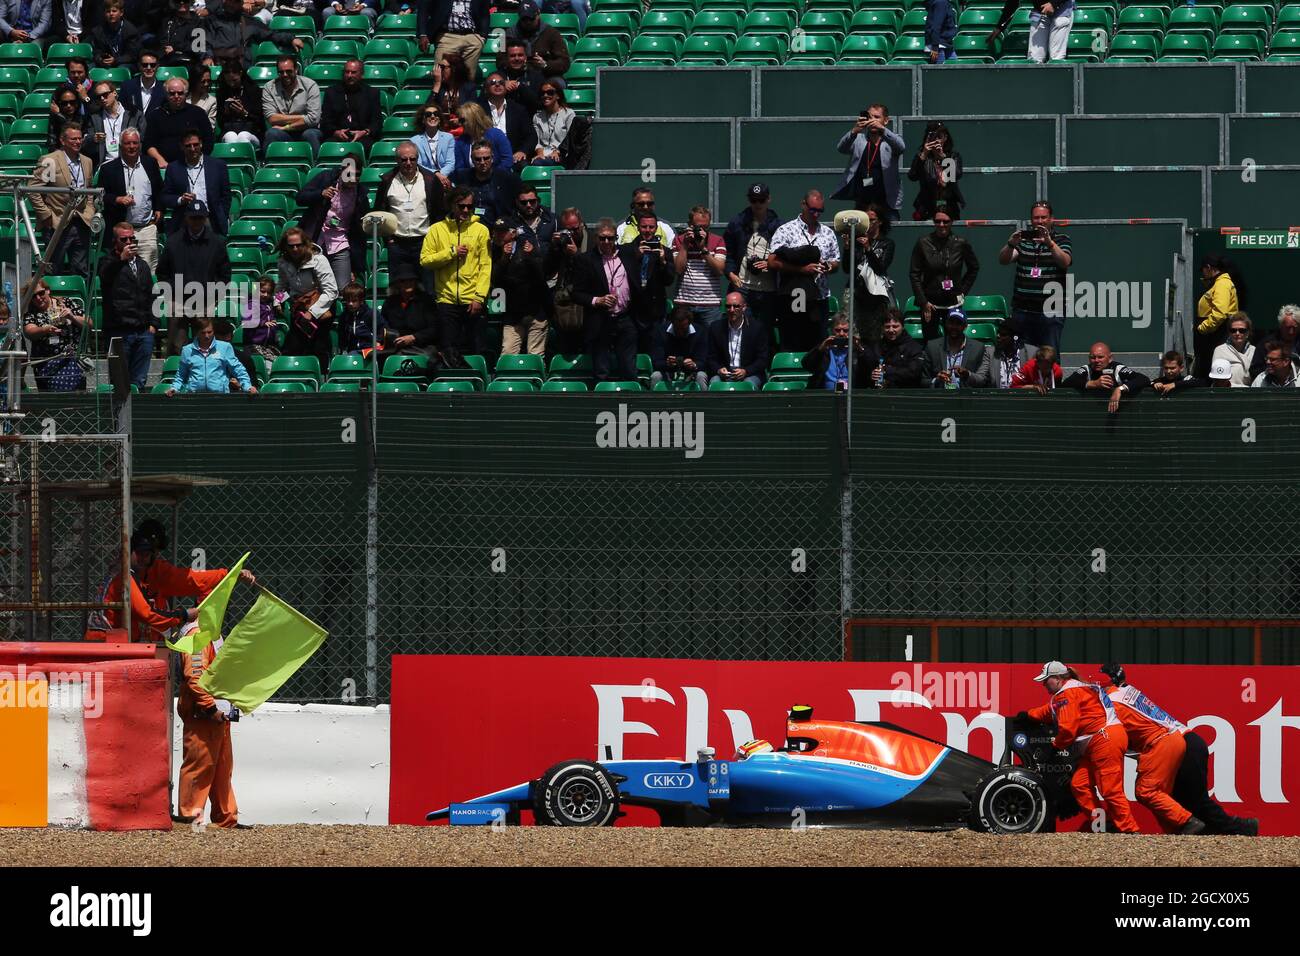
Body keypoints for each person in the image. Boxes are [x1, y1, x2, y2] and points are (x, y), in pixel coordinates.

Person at [1099, 663, 1257, 836]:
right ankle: (1215, 832)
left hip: (1181, 744)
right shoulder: (1126, 691)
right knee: (1184, 800)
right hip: (1186, 741)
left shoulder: (1112, 702)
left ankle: (1243, 828)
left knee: (1193, 801)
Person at [1018, 660, 1139, 833]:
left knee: (1110, 789)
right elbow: (1050, 710)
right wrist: (1029, 715)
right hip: (1101, 740)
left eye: (1046, 680)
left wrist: (1054, 746)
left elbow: (1067, 730)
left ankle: (1130, 831)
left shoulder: (1067, 694)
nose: (1044, 684)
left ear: (1058, 678)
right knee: (1079, 784)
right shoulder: (1072, 689)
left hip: (1104, 739)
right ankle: (1104, 825)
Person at [420, 185, 491, 367]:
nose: (466, 210)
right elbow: (425, 260)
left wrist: (479, 297)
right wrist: (451, 253)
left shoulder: (481, 231)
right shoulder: (436, 230)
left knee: (478, 349)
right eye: (461, 206)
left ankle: (478, 387)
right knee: (448, 351)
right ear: (452, 205)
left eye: (470, 206)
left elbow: (485, 266)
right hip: (447, 300)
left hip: (472, 300)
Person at [767, 190, 840, 353]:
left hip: (819, 296)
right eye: (812, 209)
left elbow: (836, 262)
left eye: (820, 211)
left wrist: (828, 266)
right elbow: (772, 262)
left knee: (818, 344)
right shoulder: (786, 230)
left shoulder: (827, 233)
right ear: (803, 205)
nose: (816, 214)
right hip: (795, 294)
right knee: (794, 339)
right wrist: (802, 270)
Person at [156, 199, 232, 355]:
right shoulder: (173, 242)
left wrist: (213, 295)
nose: (197, 221)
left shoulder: (217, 243)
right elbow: (162, 272)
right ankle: (176, 378)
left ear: (205, 218)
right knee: (177, 348)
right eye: (193, 217)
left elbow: (224, 274)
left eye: (200, 217)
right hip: (178, 302)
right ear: (186, 217)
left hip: (204, 302)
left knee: (205, 346)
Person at [95, 529, 197, 644]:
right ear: (129, 552)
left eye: (147, 555)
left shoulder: (120, 571)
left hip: (106, 638)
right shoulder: (124, 576)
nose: (143, 558)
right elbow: (148, 614)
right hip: (105, 640)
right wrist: (184, 615)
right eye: (139, 553)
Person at [377, 142, 446, 295]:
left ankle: (426, 319)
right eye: (404, 159)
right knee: (396, 289)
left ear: (417, 159)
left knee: (427, 288)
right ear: (397, 160)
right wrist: (388, 238)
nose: (408, 163)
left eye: (412, 159)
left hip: (424, 242)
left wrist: (434, 237)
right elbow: (380, 211)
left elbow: (440, 212)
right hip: (397, 244)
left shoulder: (430, 180)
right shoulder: (387, 180)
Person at [29, 122, 95, 281]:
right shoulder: (51, 161)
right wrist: (46, 215)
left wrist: (90, 210)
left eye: (80, 139)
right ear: (62, 141)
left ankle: (78, 304)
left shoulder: (87, 161)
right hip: (57, 222)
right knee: (53, 269)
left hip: (81, 222)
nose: (78, 142)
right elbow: (33, 189)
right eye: (73, 139)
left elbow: (90, 191)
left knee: (81, 271)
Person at [296, 153, 370, 293]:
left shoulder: (360, 194)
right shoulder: (325, 178)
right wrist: (320, 193)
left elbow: (360, 232)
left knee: (343, 289)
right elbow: (300, 198)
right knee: (310, 288)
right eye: (349, 174)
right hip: (315, 241)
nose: (353, 178)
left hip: (340, 243)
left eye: (357, 175)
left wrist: (354, 268)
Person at [99, 222, 157, 387]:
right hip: (119, 331)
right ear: (116, 242)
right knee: (119, 381)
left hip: (143, 330)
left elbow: (151, 295)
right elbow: (104, 276)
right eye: (124, 239)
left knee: (139, 381)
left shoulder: (142, 265)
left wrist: (153, 324)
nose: (130, 242)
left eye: (132, 238)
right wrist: (120, 259)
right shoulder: (107, 261)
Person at [99, 126, 163, 270]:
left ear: (140, 145)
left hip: (146, 229)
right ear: (121, 146)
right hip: (122, 234)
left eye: (135, 143)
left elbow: (159, 189)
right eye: (128, 143)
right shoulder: (108, 169)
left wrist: (159, 208)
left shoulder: (150, 164)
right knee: (122, 272)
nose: (132, 146)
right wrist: (117, 199)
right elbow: (101, 197)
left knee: (149, 271)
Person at [909, 208, 978, 340]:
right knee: (931, 341)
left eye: (945, 221)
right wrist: (923, 302)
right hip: (930, 303)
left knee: (954, 339)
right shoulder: (923, 243)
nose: (941, 225)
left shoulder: (961, 243)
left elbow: (974, 268)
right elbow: (914, 274)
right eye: (937, 221)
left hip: (953, 302)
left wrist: (962, 290)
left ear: (952, 222)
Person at [276, 226, 338, 373]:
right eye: (291, 246)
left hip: (321, 308)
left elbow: (331, 291)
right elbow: (283, 286)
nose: (295, 249)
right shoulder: (283, 263)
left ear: (306, 244)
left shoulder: (318, 260)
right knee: (293, 349)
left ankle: (321, 381)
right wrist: (277, 300)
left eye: (299, 245)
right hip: (299, 309)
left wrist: (313, 312)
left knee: (319, 348)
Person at [723, 182, 780, 334]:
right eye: (754, 200)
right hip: (743, 286)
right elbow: (727, 253)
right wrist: (730, 274)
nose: (757, 204)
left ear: (768, 199)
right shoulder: (737, 222)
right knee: (742, 330)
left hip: (768, 289)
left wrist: (771, 264)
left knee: (765, 331)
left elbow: (784, 256)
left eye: (761, 200)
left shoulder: (777, 225)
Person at [833, 103, 905, 220]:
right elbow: (841, 148)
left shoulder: (890, 140)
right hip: (863, 201)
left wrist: (882, 130)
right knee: (859, 235)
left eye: (877, 117)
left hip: (886, 203)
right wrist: (854, 131)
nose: (872, 121)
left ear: (885, 121)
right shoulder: (858, 139)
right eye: (870, 117)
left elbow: (901, 147)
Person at [489, 218, 547, 356]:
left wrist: (531, 257)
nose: (497, 235)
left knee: (535, 356)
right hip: (512, 313)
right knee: (508, 353)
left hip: (535, 312)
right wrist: (503, 260)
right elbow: (495, 282)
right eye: (496, 232)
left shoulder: (528, 247)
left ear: (513, 234)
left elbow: (541, 277)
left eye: (502, 232)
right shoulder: (492, 251)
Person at [160, 127, 232, 234]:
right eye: (188, 146)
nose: (192, 149)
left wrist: (221, 214)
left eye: (196, 144)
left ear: (201, 144)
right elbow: (165, 196)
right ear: (181, 147)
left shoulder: (218, 166)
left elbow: (226, 196)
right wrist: (181, 199)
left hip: (210, 220)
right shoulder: (173, 168)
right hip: (184, 221)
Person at [844, 202, 895, 344]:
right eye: (866, 220)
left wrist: (868, 249)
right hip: (856, 290)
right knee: (853, 334)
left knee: (875, 336)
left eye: (872, 220)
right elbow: (847, 269)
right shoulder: (856, 241)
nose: (869, 223)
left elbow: (880, 268)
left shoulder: (887, 243)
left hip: (875, 295)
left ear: (880, 222)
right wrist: (848, 248)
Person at [23, 278, 87, 391]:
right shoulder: (31, 313)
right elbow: (29, 332)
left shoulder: (66, 303)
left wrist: (72, 317)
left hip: (71, 362)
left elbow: (89, 323)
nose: (38, 298)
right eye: (33, 296)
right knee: (51, 404)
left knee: (75, 403)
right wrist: (44, 329)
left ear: (47, 290)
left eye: (41, 293)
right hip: (46, 365)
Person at [166, 315, 256, 394]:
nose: (207, 336)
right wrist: (174, 388)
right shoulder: (187, 350)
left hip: (220, 397)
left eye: (209, 332)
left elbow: (238, 369)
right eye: (203, 333)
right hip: (194, 396)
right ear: (197, 332)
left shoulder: (225, 347)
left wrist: (247, 386)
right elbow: (181, 374)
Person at [672, 205, 726, 329]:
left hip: (710, 305)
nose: (701, 231)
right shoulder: (679, 241)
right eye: (698, 227)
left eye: (705, 227)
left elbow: (719, 271)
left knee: (711, 342)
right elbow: (678, 269)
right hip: (684, 304)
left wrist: (703, 248)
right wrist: (685, 246)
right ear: (689, 224)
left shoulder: (718, 241)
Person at [205, 0, 301, 71]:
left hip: (242, 70)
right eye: (230, 1)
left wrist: (291, 38)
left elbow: (271, 34)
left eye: (236, 2)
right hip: (219, 68)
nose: (232, 5)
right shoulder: (212, 20)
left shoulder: (249, 22)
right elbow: (202, 41)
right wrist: (206, 57)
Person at [545, 206, 588, 356]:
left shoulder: (594, 240)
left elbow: (594, 271)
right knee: (564, 348)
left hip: (587, 304)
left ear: (581, 224)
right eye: (567, 230)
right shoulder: (560, 244)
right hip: (565, 303)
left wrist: (576, 255)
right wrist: (553, 248)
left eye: (575, 229)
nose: (572, 233)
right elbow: (547, 270)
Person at [144, 78, 214, 168]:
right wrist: (160, 160)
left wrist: (196, 160)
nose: (176, 96)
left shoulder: (198, 113)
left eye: (180, 93)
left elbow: (208, 141)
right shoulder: (155, 116)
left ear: (186, 93)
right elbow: (148, 144)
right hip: (165, 166)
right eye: (172, 93)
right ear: (166, 94)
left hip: (194, 165)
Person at [262, 54, 323, 157]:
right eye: (281, 72)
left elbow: (313, 119)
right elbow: (272, 118)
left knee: (310, 134)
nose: (285, 75)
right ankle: (269, 166)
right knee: (271, 133)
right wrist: (303, 117)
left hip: (307, 129)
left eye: (288, 71)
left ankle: (316, 166)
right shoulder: (269, 88)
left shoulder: (310, 85)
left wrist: (286, 127)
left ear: (296, 69)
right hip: (282, 133)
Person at [1194, 253, 1244, 379]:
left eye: (1203, 270)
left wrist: (1202, 328)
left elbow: (1220, 314)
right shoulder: (1218, 283)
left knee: (1211, 367)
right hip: (1213, 335)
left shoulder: (1222, 284)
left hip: (1216, 335)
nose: (1202, 274)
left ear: (1209, 267)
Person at [1061, 341, 1149, 412]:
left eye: (1100, 357)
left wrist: (1120, 389)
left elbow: (1144, 379)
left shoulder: (1117, 368)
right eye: (1093, 357)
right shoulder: (1087, 369)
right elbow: (1066, 383)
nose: (1096, 361)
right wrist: (1093, 383)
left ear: (1110, 358)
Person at [706, 291, 768, 389]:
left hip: (749, 373)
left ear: (744, 307)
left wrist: (746, 371)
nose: (731, 310)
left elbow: (763, 359)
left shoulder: (757, 328)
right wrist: (718, 370)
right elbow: (710, 357)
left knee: (748, 385)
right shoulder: (715, 328)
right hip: (724, 374)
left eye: (736, 306)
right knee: (715, 383)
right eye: (728, 306)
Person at [417, 0, 489, 83]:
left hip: (472, 37)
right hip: (447, 36)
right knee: (442, 77)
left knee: (468, 78)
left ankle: (465, 95)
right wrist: (423, 34)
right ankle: (441, 95)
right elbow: (423, 9)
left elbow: (484, 13)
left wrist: (483, 36)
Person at [451, 140, 520, 226]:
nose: (482, 162)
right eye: (478, 159)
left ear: (492, 158)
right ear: (472, 160)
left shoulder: (507, 179)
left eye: (486, 158)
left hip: (498, 229)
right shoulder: (462, 177)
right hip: (468, 227)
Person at [379, 263, 439, 359]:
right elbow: (383, 326)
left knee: (429, 356)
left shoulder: (426, 301)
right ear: (397, 283)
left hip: (421, 346)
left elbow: (434, 329)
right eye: (403, 281)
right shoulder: (390, 302)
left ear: (416, 282)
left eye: (411, 280)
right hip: (395, 346)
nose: (407, 283)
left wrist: (413, 337)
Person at [908, 121, 963, 221]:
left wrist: (943, 158)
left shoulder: (953, 156)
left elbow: (956, 175)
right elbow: (912, 176)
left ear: (945, 138)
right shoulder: (922, 157)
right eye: (933, 137)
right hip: (927, 206)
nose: (936, 140)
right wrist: (924, 154)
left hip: (949, 207)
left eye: (939, 136)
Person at [922, 308, 990, 388]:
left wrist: (968, 375)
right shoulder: (932, 346)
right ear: (946, 324)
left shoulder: (978, 348)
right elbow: (923, 381)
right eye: (951, 323)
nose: (954, 327)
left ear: (965, 326)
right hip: (941, 396)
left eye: (958, 323)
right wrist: (936, 380)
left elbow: (982, 381)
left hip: (965, 397)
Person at [989, 0, 1075, 63]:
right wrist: (1000, 27)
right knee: (1034, 59)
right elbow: (1012, 2)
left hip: (1061, 11)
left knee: (1056, 58)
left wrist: (1053, 3)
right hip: (1040, 12)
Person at [321, 59, 381, 148]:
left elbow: (377, 122)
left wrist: (365, 132)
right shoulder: (331, 92)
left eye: (353, 72)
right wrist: (336, 132)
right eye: (347, 72)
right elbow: (325, 121)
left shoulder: (372, 93)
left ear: (361, 74)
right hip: (338, 137)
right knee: (329, 147)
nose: (349, 75)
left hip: (363, 137)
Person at [802, 312, 867, 390]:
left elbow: (869, 369)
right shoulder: (824, 348)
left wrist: (859, 349)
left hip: (851, 395)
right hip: (825, 396)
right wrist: (820, 349)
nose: (841, 334)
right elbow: (806, 365)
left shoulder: (856, 350)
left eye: (845, 330)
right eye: (837, 330)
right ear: (832, 330)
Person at [650, 304, 708, 391]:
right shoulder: (660, 331)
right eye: (677, 328)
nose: (680, 332)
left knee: (701, 376)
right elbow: (656, 362)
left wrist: (694, 365)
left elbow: (703, 361)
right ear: (672, 323)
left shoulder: (700, 332)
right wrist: (667, 363)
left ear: (689, 323)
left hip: (692, 372)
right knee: (656, 376)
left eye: (684, 329)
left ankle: (703, 403)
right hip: (668, 371)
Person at [505, 1, 569, 79]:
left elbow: (564, 62)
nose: (527, 22)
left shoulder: (552, 33)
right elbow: (499, 60)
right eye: (524, 19)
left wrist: (545, 64)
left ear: (538, 14)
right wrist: (514, 64)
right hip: (517, 76)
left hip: (546, 75)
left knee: (556, 83)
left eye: (531, 19)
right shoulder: (508, 34)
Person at [214, 53, 266, 148]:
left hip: (251, 132)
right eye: (228, 81)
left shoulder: (253, 91)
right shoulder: (222, 93)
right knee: (230, 136)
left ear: (240, 74)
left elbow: (260, 120)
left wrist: (245, 113)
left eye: (234, 80)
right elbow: (221, 124)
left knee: (243, 135)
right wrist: (226, 111)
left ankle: (245, 161)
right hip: (230, 130)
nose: (231, 84)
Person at [84, 80, 139, 169]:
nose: (102, 98)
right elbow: (86, 143)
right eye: (99, 97)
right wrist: (93, 139)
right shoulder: (95, 117)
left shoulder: (133, 114)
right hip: (105, 164)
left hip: (129, 163)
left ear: (114, 93)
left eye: (105, 95)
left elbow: (142, 140)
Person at [863, 309, 924, 388]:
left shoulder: (914, 347)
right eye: (887, 327)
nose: (891, 330)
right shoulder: (877, 346)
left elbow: (914, 373)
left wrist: (887, 371)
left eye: (895, 326)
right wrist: (872, 375)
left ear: (903, 326)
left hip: (904, 394)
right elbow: (867, 370)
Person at [454, 102, 512, 173]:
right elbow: (459, 168)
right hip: (472, 181)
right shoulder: (461, 141)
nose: (460, 124)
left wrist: (492, 176)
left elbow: (507, 160)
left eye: (462, 120)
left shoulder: (496, 135)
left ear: (473, 119)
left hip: (498, 179)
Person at [1249, 305, 1300, 380]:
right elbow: (1255, 369)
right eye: (1287, 328)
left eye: (1295, 328)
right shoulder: (1266, 343)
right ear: (1280, 325)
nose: (1291, 332)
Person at [427, 51, 477, 126]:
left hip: (464, 129)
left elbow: (473, 113)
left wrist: (460, 120)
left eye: (443, 67)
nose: (439, 70)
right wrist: (437, 84)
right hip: (442, 130)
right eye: (439, 67)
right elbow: (427, 110)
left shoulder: (468, 88)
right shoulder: (439, 88)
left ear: (454, 69)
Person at [530, 80, 574, 167]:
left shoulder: (569, 114)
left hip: (562, 154)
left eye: (550, 92)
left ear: (558, 95)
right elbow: (536, 140)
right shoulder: (537, 116)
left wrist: (558, 151)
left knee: (538, 163)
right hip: (543, 154)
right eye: (543, 93)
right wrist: (539, 153)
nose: (545, 95)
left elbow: (571, 138)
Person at [410, 105, 457, 183]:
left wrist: (441, 177)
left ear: (439, 119)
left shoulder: (448, 138)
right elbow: (419, 164)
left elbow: (450, 163)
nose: (432, 116)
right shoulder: (414, 141)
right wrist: (435, 174)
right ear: (423, 120)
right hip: (425, 180)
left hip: (445, 179)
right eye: (428, 114)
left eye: (436, 114)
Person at [496, 38, 544, 115]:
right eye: (512, 56)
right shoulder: (497, 76)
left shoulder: (536, 76)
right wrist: (501, 85)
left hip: (529, 119)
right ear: (506, 58)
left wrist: (520, 86)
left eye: (520, 55)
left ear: (525, 57)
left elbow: (539, 104)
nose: (517, 58)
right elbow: (485, 100)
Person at [242, 277, 282, 363]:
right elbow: (247, 321)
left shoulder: (270, 302)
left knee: (279, 362)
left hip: (269, 345)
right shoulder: (251, 304)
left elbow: (284, 293)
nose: (265, 295)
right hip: (253, 345)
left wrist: (278, 302)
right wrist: (263, 323)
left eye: (269, 292)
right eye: (262, 291)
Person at [90, 1, 140, 70]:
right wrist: (100, 59)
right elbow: (97, 52)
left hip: (124, 63)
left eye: (114, 11)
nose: (111, 14)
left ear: (121, 13)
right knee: (89, 68)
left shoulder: (131, 31)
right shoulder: (98, 31)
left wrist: (115, 60)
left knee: (121, 69)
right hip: (104, 63)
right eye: (108, 11)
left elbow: (132, 55)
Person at [337, 281, 381, 354]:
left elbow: (383, 330)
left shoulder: (371, 314)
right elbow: (342, 337)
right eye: (348, 301)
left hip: (369, 350)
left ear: (361, 301)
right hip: (352, 351)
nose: (350, 304)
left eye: (354, 301)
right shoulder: (344, 316)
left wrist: (378, 341)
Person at [1211, 313, 1254, 387]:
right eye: (1233, 330)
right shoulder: (1220, 350)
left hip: (1249, 394)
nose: (1237, 333)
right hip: (1227, 393)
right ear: (1229, 333)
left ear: (1248, 333)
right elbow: (1218, 380)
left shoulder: (1255, 351)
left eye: (1242, 330)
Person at [120, 49, 164, 116]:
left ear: (157, 66)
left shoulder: (163, 89)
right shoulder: (127, 86)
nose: (149, 68)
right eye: (144, 65)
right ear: (139, 66)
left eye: (153, 65)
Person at [988, 324, 1028, 389]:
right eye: (998, 333)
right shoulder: (990, 352)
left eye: (1003, 334)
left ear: (1014, 338)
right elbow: (981, 378)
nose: (998, 336)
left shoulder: (1030, 353)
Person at [48, 87, 85, 153]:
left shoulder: (82, 118)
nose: (68, 106)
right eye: (64, 103)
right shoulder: (55, 119)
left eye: (72, 102)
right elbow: (52, 142)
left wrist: (59, 115)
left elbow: (73, 130)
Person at [186, 61, 216, 127]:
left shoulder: (212, 101)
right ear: (194, 81)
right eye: (203, 81)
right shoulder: (183, 97)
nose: (206, 84)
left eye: (208, 81)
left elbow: (211, 126)